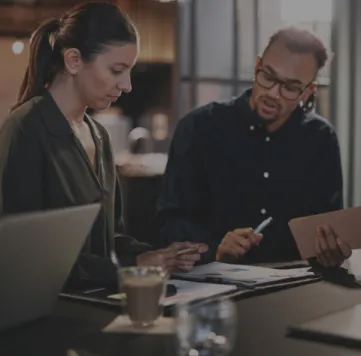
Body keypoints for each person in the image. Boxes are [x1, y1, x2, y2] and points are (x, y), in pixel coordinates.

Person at [0, 1, 207, 287]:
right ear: (73, 61)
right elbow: (24, 255)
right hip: (52, 313)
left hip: (101, 305)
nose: (127, 85)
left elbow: (110, 241)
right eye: (116, 70)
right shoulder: (25, 128)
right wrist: (131, 267)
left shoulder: (99, 134)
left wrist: (156, 255)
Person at [156, 27, 351, 269]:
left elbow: (327, 228)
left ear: (307, 91)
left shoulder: (320, 138)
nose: (273, 94)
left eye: (290, 88)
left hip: (294, 285)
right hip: (212, 282)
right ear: (257, 66)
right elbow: (169, 225)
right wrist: (215, 247)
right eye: (268, 77)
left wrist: (331, 249)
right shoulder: (198, 127)